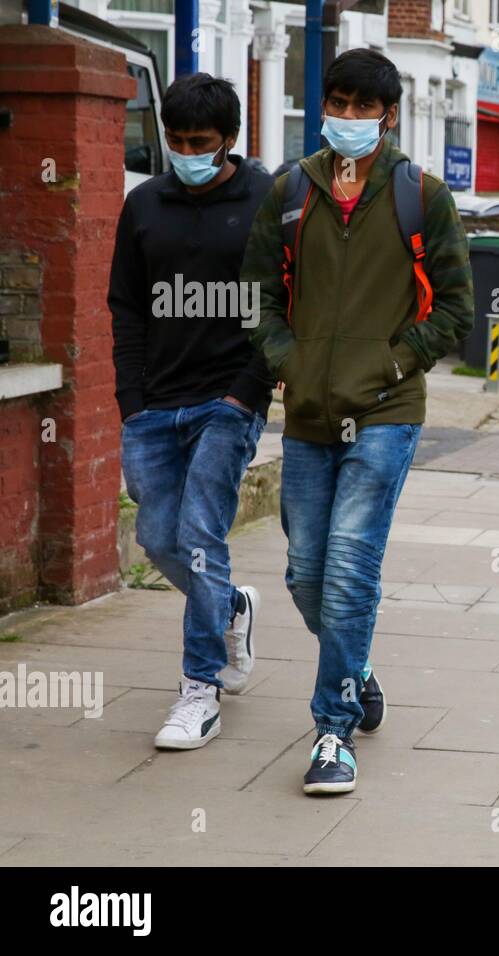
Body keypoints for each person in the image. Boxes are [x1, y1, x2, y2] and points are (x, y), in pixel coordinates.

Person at [242, 49, 474, 795]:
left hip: (386, 411)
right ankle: (358, 665)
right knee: (305, 570)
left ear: (388, 115)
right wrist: (289, 361)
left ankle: (332, 731)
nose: (346, 119)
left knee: (346, 570)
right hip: (308, 413)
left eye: (360, 108)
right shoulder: (288, 192)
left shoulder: (420, 195)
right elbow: (256, 299)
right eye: (336, 104)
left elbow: (457, 310)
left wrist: (392, 366)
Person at [109, 74, 274, 749]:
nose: (185, 151)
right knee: (158, 539)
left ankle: (199, 688)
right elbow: (126, 303)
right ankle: (231, 606)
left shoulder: (266, 200)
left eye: (198, 142)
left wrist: (248, 390)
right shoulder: (144, 203)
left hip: (227, 401)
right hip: (154, 403)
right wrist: (131, 397)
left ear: (228, 140)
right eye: (174, 141)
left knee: (201, 534)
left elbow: (285, 300)